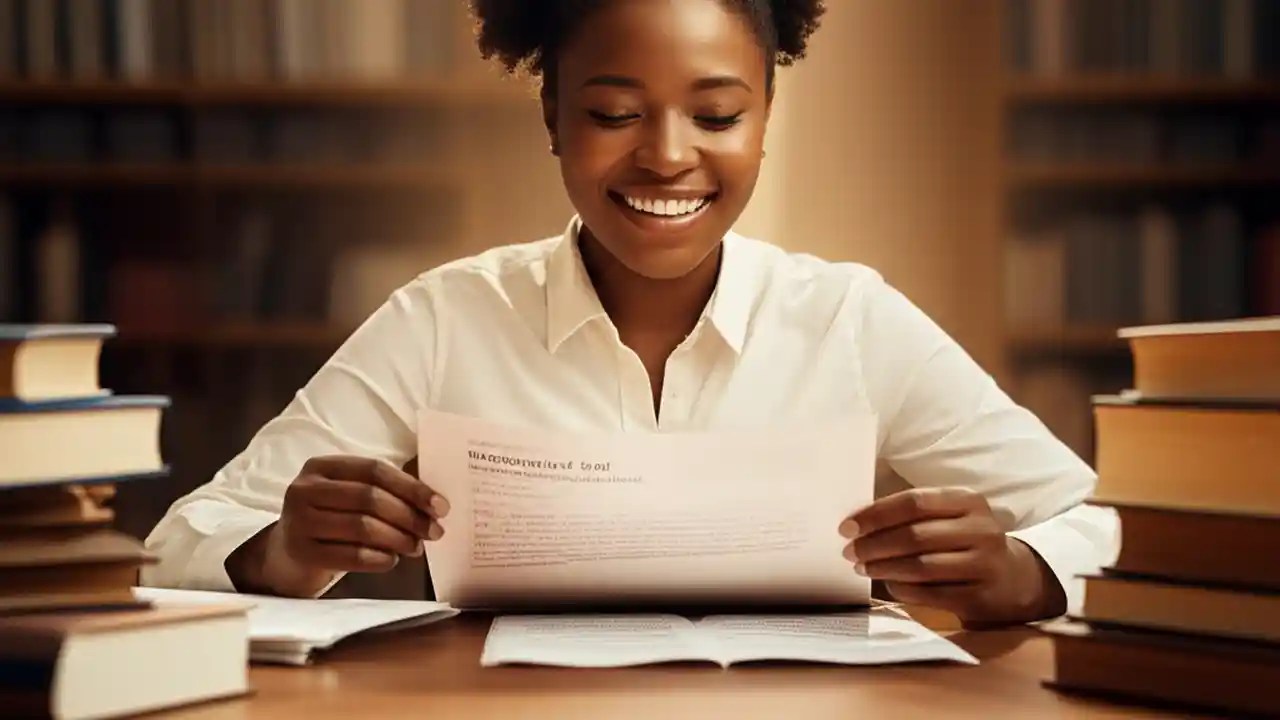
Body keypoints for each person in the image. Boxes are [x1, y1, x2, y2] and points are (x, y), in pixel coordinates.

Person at [143, 0, 1117, 627]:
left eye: (717, 115)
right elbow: (182, 541)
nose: (665, 156)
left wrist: (1021, 572)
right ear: (552, 123)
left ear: (764, 125)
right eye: (613, 114)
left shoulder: (846, 319)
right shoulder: (446, 316)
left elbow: (1105, 524)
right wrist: (281, 549)